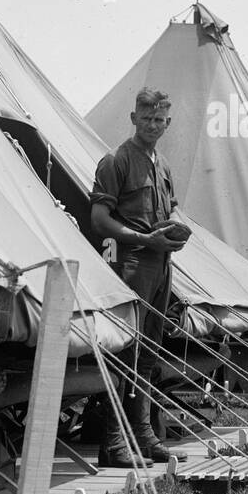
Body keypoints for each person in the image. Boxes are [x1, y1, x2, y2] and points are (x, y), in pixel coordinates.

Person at [89, 87, 189, 467]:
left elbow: (172, 209)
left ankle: (143, 437)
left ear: (168, 122)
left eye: (160, 120)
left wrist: (175, 231)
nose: (153, 125)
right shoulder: (115, 161)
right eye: (146, 118)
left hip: (161, 264)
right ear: (133, 119)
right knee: (126, 353)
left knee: (147, 355)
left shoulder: (162, 165)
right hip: (131, 263)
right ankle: (114, 443)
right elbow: (99, 221)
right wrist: (144, 238)